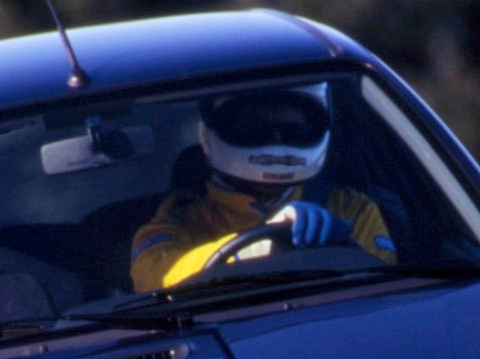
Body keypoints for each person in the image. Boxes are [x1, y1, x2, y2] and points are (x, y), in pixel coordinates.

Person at [129, 84, 395, 291]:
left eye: (293, 126)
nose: (275, 138)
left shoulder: (351, 208)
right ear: (211, 132)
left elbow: (383, 287)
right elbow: (157, 279)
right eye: (253, 126)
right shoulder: (177, 221)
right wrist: (259, 246)